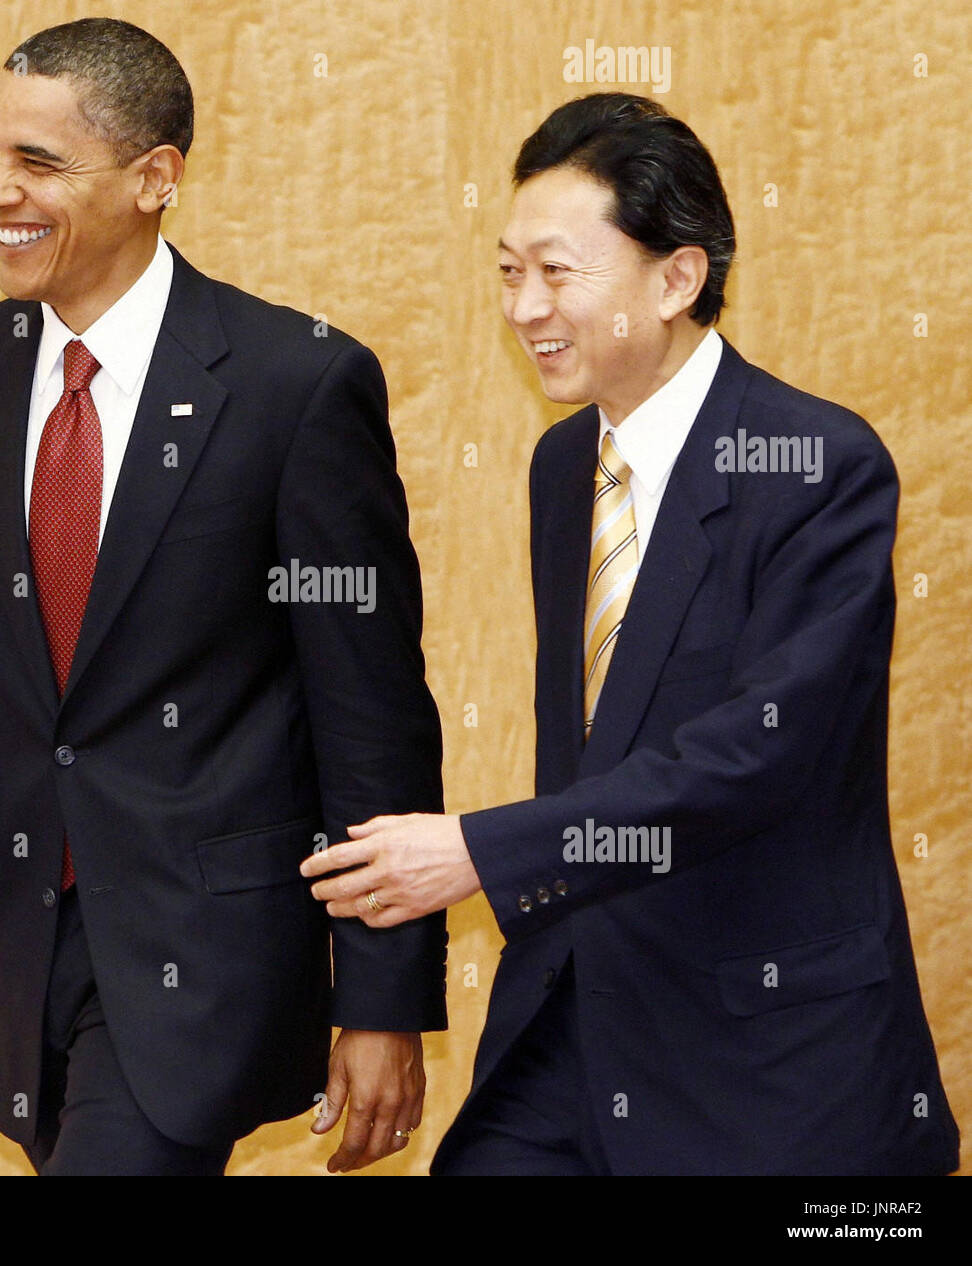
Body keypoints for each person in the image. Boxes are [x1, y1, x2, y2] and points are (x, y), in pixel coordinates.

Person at [0, 17, 447, 1176]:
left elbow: (371, 720)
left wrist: (383, 997)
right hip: (31, 949)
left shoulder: (295, 384)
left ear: (157, 178)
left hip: (210, 953)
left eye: (39, 163)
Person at [302, 93, 960, 1176]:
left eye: (557, 272)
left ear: (676, 278)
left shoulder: (814, 464)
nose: (523, 306)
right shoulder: (563, 468)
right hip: (573, 1025)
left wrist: (478, 850)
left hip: (763, 1055)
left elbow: (758, 754)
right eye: (508, 270)